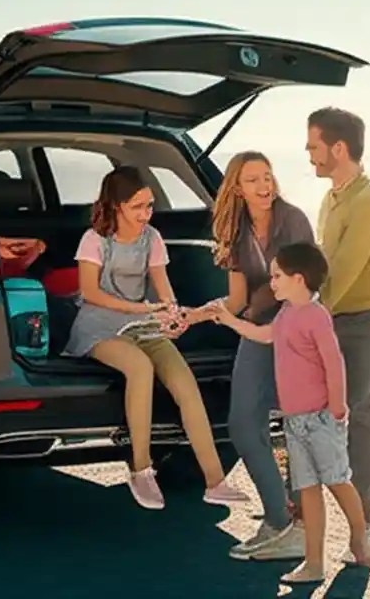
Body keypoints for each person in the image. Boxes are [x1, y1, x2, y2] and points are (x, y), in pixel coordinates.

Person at [62, 165, 250, 510]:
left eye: (149, 205)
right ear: (117, 206)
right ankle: (142, 468)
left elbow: (164, 289)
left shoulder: (152, 238)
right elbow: (89, 292)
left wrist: (171, 314)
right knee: (139, 368)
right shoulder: (94, 240)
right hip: (100, 327)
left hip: (143, 324)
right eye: (138, 207)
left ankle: (214, 480)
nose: (146, 214)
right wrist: (138, 310)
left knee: (184, 382)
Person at [208, 242, 370, 584]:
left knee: (337, 481)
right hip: (295, 421)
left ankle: (360, 538)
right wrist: (228, 320)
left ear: (298, 279)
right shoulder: (285, 314)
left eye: (277, 276)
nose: (271, 282)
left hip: (321, 418)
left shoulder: (316, 316)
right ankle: (314, 563)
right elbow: (264, 335)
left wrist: (337, 407)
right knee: (307, 490)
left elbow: (334, 362)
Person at [208, 151, 315, 561]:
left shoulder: (295, 220)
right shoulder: (237, 232)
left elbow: (308, 283)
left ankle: (297, 529)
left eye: (268, 176)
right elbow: (235, 301)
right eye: (253, 179)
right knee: (243, 423)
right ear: (237, 187)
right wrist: (198, 316)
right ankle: (278, 517)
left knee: (295, 430)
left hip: (294, 331)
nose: (264, 185)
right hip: (255, 332)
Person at [305, 107, 370, 537]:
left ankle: (364, 521)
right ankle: (302, 511)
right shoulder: (330, 199)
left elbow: (346, 269)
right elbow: (324, 263)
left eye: (314, 145)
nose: (308, 153)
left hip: (365, 321)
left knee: (359, 412)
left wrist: (308, 317)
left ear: (338, 149)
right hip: (331, 317)